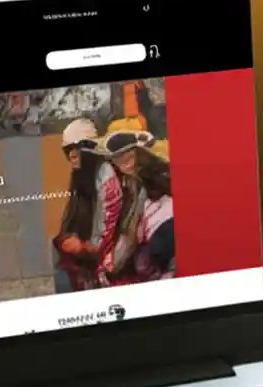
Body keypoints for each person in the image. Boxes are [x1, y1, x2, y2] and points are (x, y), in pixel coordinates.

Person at [53, 118, 129, 292]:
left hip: (108, 257)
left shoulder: (105, 177)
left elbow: (104, 237)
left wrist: (80, 246)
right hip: (89, 253)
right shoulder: (83, 174)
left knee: (62, 276)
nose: (71, 156)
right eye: (68, 151)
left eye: (75, 149)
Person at [101, 130, 175, 281]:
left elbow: (130, 234)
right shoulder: (164, 170)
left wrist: (111, 268)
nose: (125, 164)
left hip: (162, 237)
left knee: (141, 264)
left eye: (127, 157)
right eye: (119, 160)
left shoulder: (134, 187)